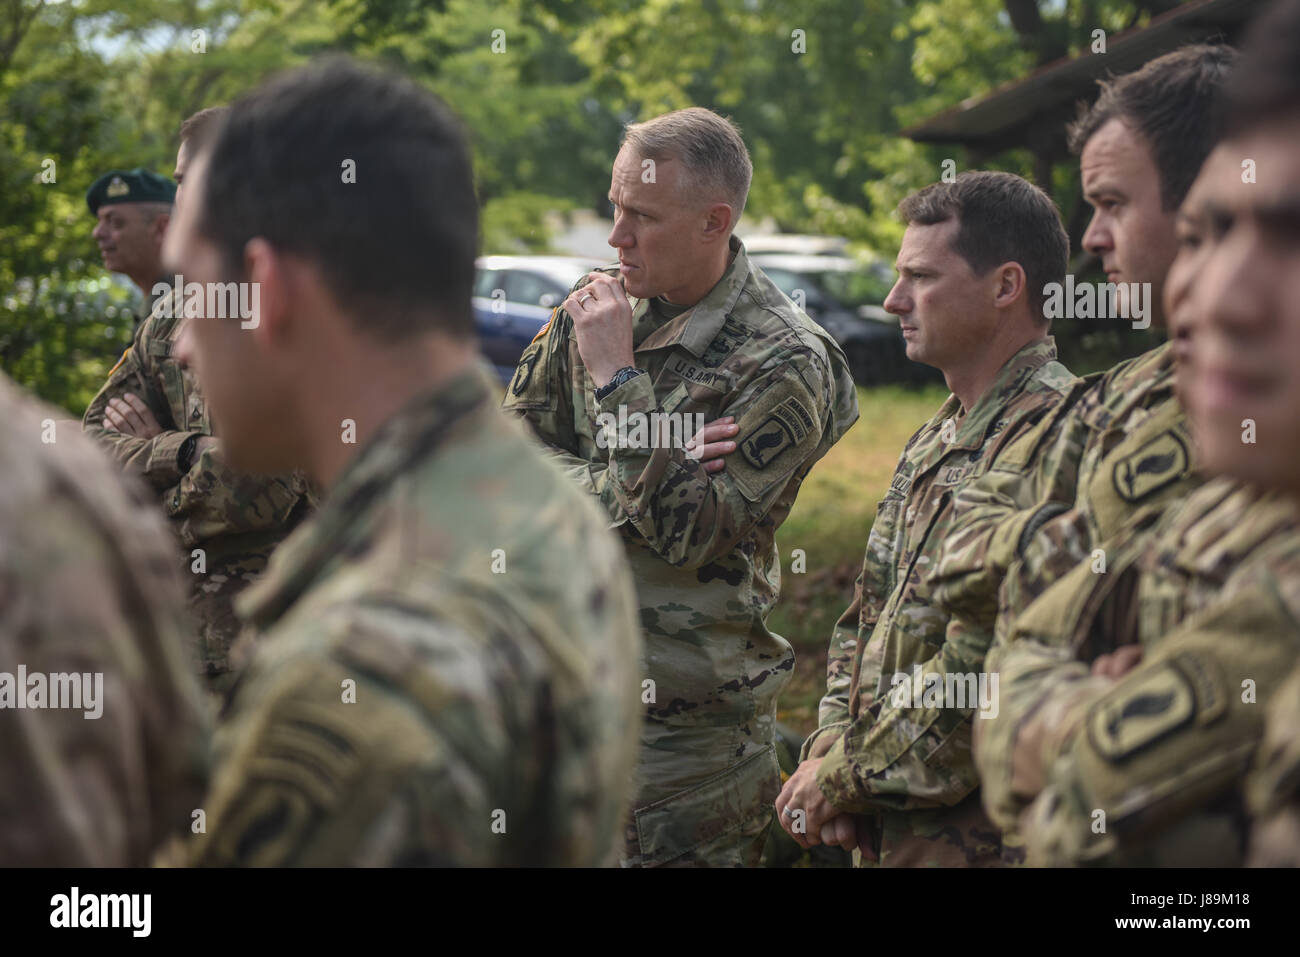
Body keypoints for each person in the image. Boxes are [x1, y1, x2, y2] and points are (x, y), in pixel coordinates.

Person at [173, 57, 642, 866]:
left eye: (188, 289)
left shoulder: (356, 668)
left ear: (266, 288)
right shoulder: (534, 499)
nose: (180, 343)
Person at [976, 1, 1300, 864]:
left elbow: (1079, 820)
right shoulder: (1192, 439)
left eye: (1289, 233)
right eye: (1210, 236)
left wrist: (1067, 721)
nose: (1220, 294)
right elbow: (1021, 620)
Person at [503, 106, 859, 867]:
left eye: (642, 216)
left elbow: (693, 531)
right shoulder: (595, 305)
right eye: (615, 206)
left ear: (713, 222)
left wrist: (619, 380)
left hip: (681, 741)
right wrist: (658, 455)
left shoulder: (786, 359)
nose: (615, 236)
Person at [777, 172, 1075, 866]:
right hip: (889, 823)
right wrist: (829, 748)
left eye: (921, 277)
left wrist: (844, 777)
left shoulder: (1060, 437)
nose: (892, 300)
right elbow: (868, 613)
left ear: (1006, 287)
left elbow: (989, 667)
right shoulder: (939, 434)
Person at [932, 46, 1236, 653]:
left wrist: (1047, 551)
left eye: (1113, 204)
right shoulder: (1121, 389)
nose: (1092, 238)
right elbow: (955, 558)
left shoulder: (1256, 402)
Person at [82, 108, 315, 695]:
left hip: (281, 654)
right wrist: (185, 454)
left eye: (187, 181)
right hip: (182, 648)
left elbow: (253, 490)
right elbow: (90, 446)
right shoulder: (173, 312)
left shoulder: (292, 307)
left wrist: (141, 500)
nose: (177, 197)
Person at [0, 372, 209, 865]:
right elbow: (178, 774)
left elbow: (259, 486)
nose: (185, 349)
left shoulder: (60, 474)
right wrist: (183, 453)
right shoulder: (68, 469)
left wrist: (169, 451)